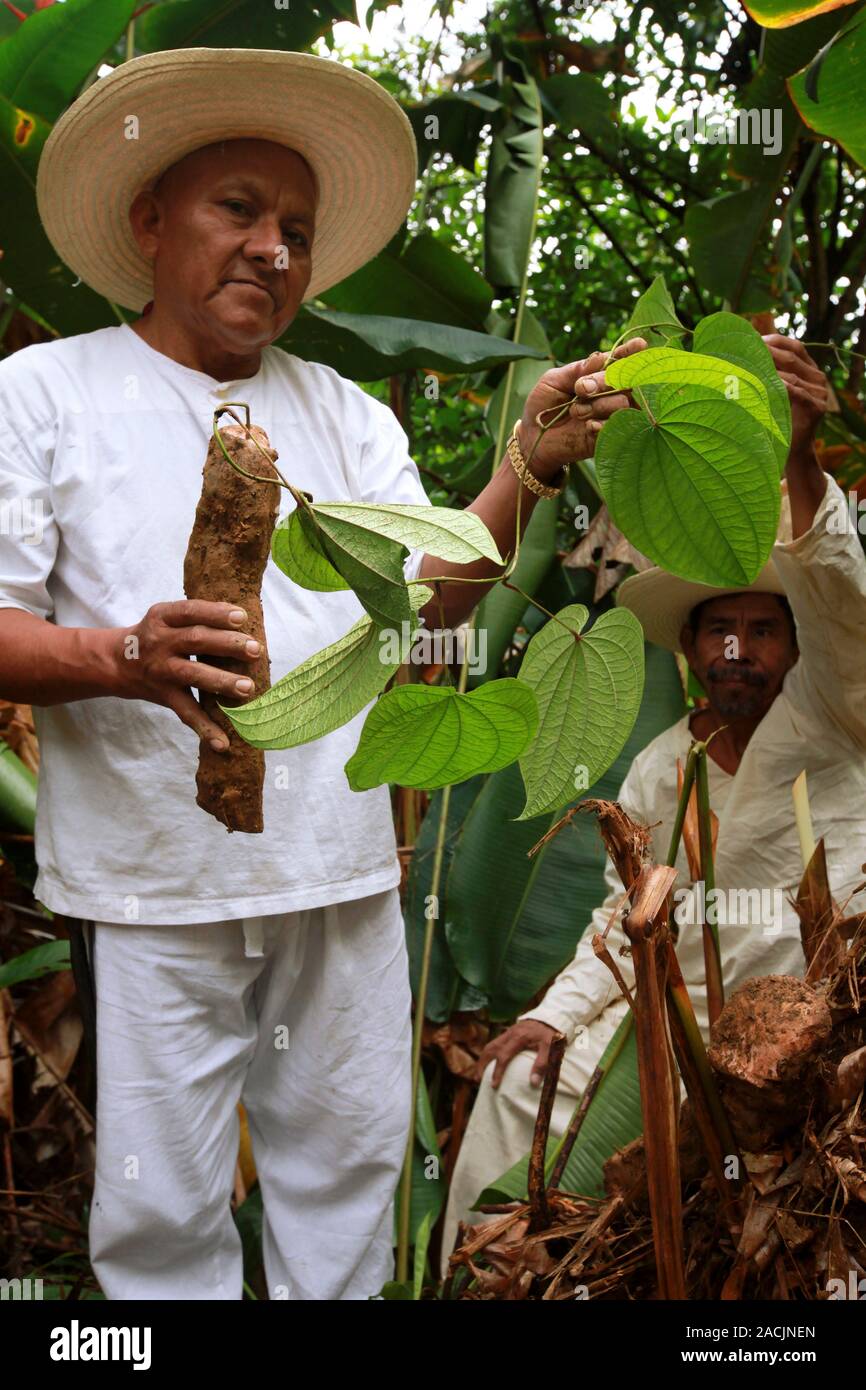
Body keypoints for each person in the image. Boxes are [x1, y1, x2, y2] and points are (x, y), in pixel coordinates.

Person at [0, 47, 637, 1300]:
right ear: (148, 221)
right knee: (161, 1199)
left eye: (294, 228)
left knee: (343, 1164)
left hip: (336, 865)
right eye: (237, 210)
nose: (272, 250)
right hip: (153, 878)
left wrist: (529, 466)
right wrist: (121, 653)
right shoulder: (46, 393)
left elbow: (420, 606)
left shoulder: (345, 412)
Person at [441, 337, 866, 1271]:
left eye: (763, 630)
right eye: (720, 630)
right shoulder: (664, 767)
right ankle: (485, 1279)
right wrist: (554, 1016)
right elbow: (618, 913)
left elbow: (839, 600)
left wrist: (797, 458)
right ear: (690, 647)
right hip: (673, 1032)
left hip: (821, 1041)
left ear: (796, 651)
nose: (738, 651)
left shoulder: (837, 719)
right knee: (519, 1090)